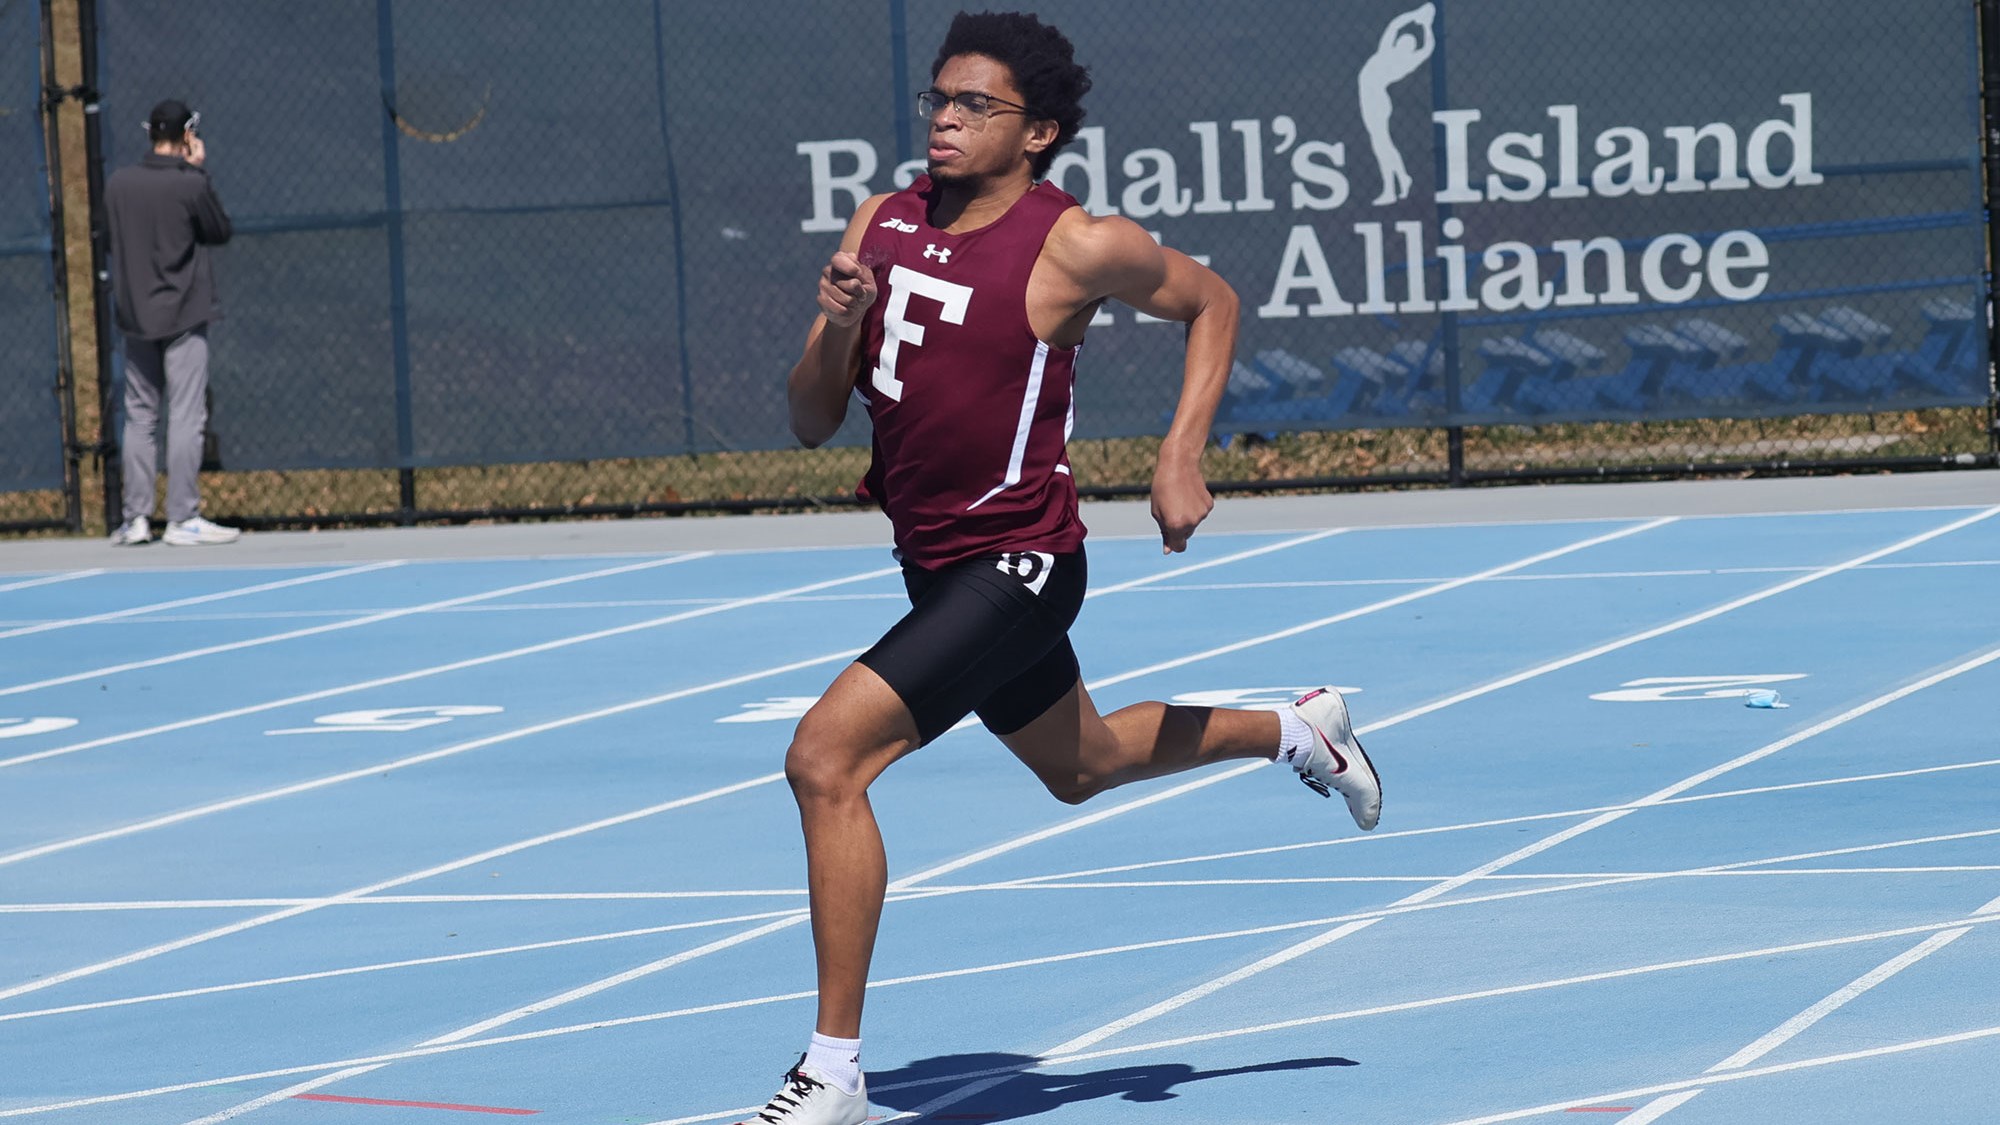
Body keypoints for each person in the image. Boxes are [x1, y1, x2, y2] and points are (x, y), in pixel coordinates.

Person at [739, 13, 1382, 1124]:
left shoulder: (1075, 244)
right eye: (937, 99)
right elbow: (809, 419)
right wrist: (838, 326)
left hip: (1022, 561)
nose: (944, 119)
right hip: (933, 562)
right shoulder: (882, 221)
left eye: (972, 104)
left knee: (824, 760)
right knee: (1082, 764)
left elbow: (1213, 301)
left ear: (1035, 131)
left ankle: (833, 1073)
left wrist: (1178, 454)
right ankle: (1297, 729)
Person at [104, 99, 239, 547]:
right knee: (185, 414)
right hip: (183, 314)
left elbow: (108, 240)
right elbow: (218, 230)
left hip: (135, 316)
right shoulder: (189, 183)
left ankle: (136, 519)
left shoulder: (118, 184)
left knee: (140, 416)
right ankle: (182, 517)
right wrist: (198, 172)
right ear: (186, 136)